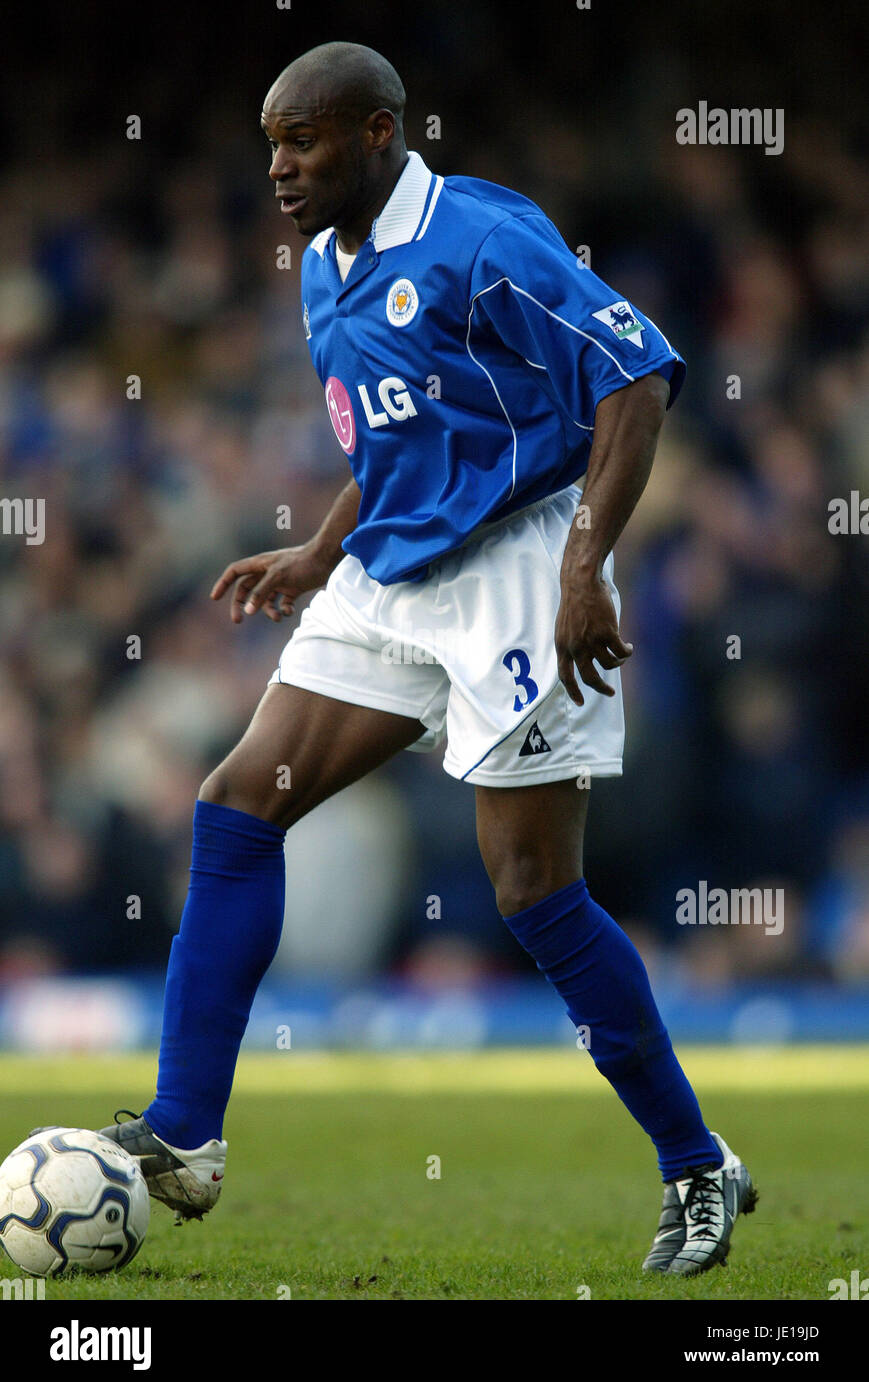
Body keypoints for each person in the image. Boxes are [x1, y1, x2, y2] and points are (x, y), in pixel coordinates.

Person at [99, 41, 756, 1277]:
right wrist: (317, 548)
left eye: (302, 141)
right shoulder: (320, 271)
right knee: (238, 802)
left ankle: (693, 1165)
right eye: (269, 146)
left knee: (528, 894)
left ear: (379, 134)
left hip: (516, 571)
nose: (280, 169)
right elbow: (408, 433)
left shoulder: (482, 238)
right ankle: (186, 1132)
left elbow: (636, 378)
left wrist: (578, 570)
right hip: (388, 572)